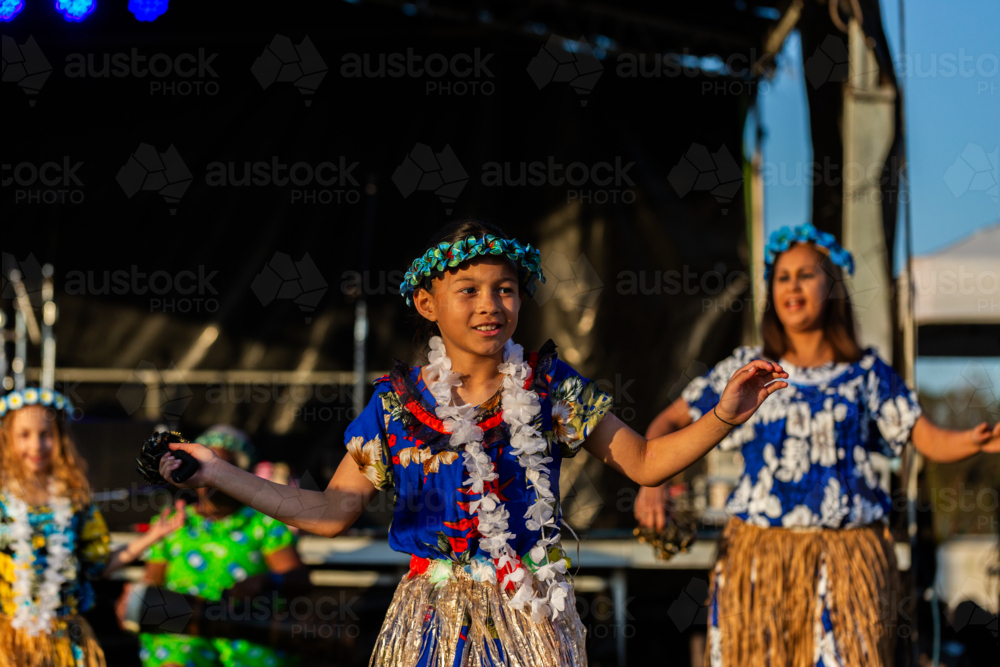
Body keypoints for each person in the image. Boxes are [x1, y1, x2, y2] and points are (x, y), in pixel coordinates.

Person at [155, 220, 789, 667]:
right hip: (431, 618)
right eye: (470, 291)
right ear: (428, 305)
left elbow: (648, 464)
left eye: (505, 289)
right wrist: (214, 470)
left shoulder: (551, 390)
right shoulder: (396, 408)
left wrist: (724, 415)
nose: (492, 305)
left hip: (531, 616)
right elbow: (328, 513)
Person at [634, 223, 1000, 667]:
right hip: (760, 557)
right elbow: (671, 418)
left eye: (806, 274)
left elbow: (923, 436)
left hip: (849, 561)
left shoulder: (868, 373)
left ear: (833, 287)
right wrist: (652, 482)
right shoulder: (749, 369)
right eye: (783, 276)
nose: (793, 285)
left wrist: (973, 440)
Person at [0, 387, 185, 667]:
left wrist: (153, 536)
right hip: (7, 642)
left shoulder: (75, 503)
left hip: (63, 641)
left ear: (60, 438)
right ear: (7, 439)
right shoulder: (2, 502)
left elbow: (98, 566)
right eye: (24, 435)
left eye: (45, 434)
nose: (36, 445)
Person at [119, 425, 308, 667]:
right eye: (204, 467)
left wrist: (265, 581)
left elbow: (299, 579)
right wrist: (132, 601)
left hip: (245, 630)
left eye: (222, 469)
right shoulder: (174, 522)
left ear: (242, 474)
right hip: (182, 632)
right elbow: (152, 584)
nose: (211, 477)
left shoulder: (263, 523)